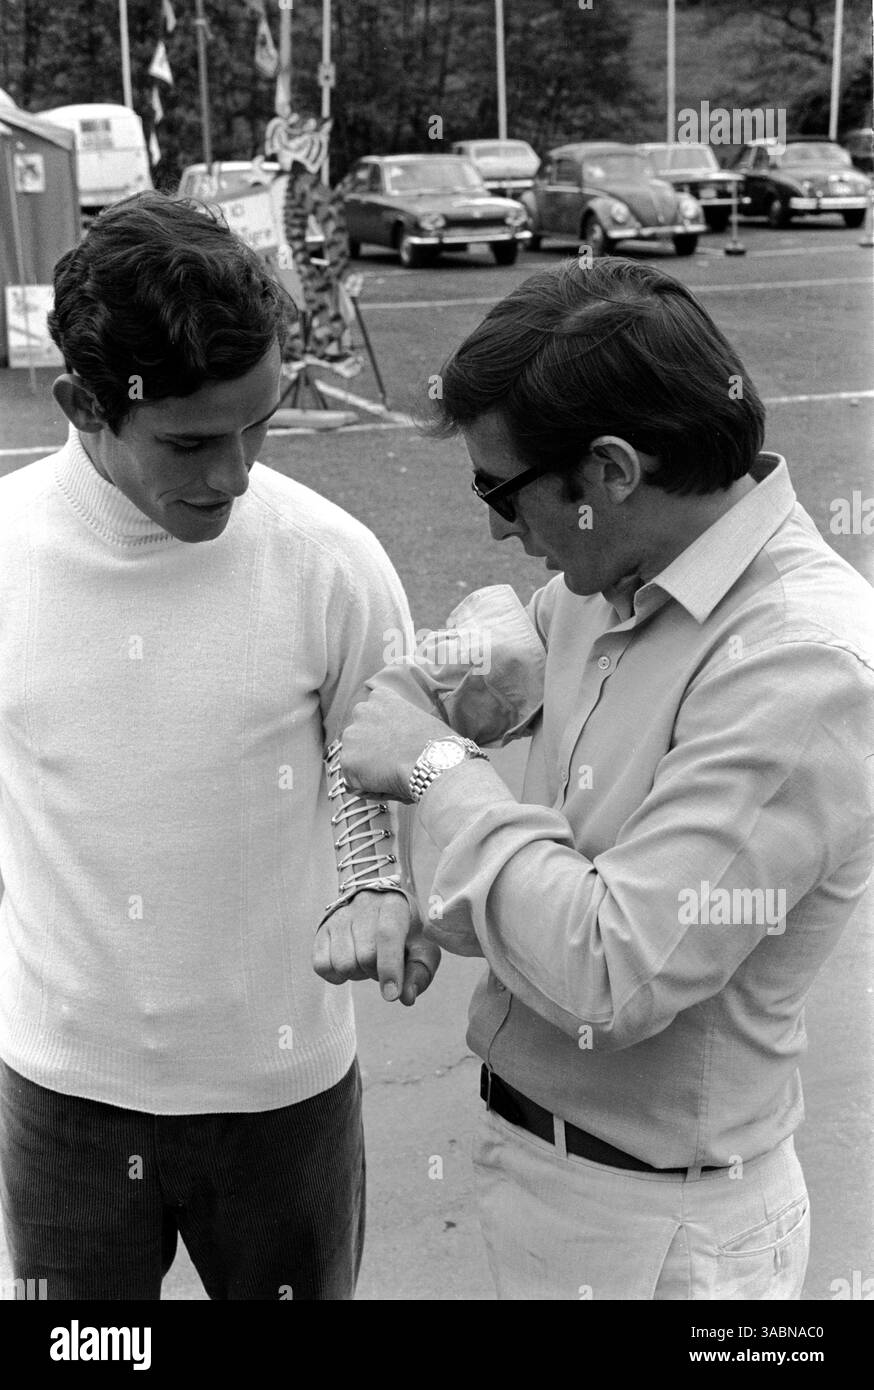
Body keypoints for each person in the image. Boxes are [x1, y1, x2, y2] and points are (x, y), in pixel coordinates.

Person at [317, 257, 874, 1300]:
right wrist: (468, 657)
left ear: (610, 471)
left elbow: (611, 972)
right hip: (546, 1172)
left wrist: (440, 773)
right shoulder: (607, 577)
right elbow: (415, 699)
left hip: (665, 1230)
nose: (492, 525)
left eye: (500, 490)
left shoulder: (802, 664)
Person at [0, 190, 437, 1301]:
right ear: (81, 401)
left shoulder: (330, 561)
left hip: (283, 1098)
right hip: (65, 1102)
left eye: (261, 422)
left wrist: (385, 882)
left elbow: (378, 767)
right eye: (192, 441)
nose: (235, 475)